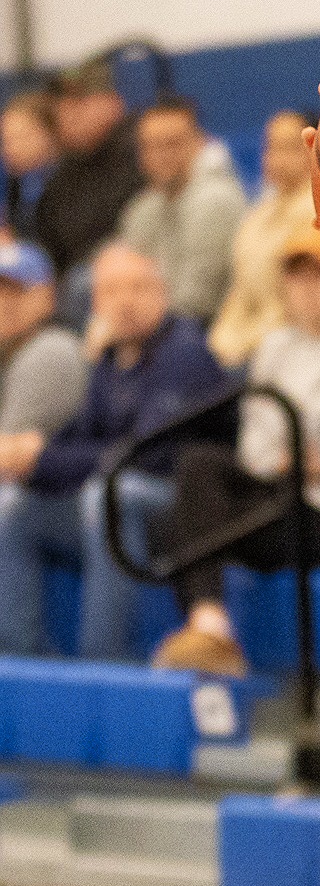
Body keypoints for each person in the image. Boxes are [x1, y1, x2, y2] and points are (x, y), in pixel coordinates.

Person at [153, 227, 320, 674]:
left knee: (188, 527)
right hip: (287, 500)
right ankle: (209, 625)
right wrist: (293, 459)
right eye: (297, 277)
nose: (306, 289)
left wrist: (291, 458)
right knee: (198, 465)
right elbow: (258, 451)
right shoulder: (273, 346)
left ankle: (211, 633)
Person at [0, 246, 229, 659]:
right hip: (123, 498)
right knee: (14, 508)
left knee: (108, 495)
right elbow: (79, 437)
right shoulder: (110, 360)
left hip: (186, 511)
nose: (125, 301)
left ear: (163, 292)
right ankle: (20, 659)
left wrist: (43, 459)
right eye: (111, 291)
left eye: (138, 288)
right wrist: (30, 457)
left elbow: (144, 454)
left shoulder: (185, 351)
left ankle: (105, 661)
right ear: (96, 303)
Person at [118, 98, 248, 327]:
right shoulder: (142, 208)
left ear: (199, 144)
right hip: (158, 325)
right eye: (151, 146)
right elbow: (125, 277)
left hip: (210, 327)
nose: (161, 156)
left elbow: (198, 299)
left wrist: (132, 320)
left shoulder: (215, 200)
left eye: (172, 144)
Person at [207, 110, 318, 368]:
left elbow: (296, 304)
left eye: (289, 148)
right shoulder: (257, 215)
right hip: (246, 344)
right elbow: (240, 294)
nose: (277, 159)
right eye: (271, 148)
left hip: (296, 343)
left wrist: (243, 347)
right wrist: (218, 345)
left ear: (315, 150)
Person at [33, 63, 144, 312]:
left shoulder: (143, 151)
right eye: (61, 104)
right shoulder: (60, 174)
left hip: (126, 280)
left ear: (114, 102)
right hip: (73, 286)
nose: (66, 112)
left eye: (80, 102)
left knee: (81, 284)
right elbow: (49, 251)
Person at [0, 240, 88, 473]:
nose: (2, 303)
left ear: (46, 296)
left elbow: (8, 457)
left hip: (56, 491)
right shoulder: (9, 351)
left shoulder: (50, 350)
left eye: (14, 291)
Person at [2, 90, 59, 241]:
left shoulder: (67, 184)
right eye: (6, 140)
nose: (10, 149)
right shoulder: (17, 182)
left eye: (21, 137)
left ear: (49, 134)